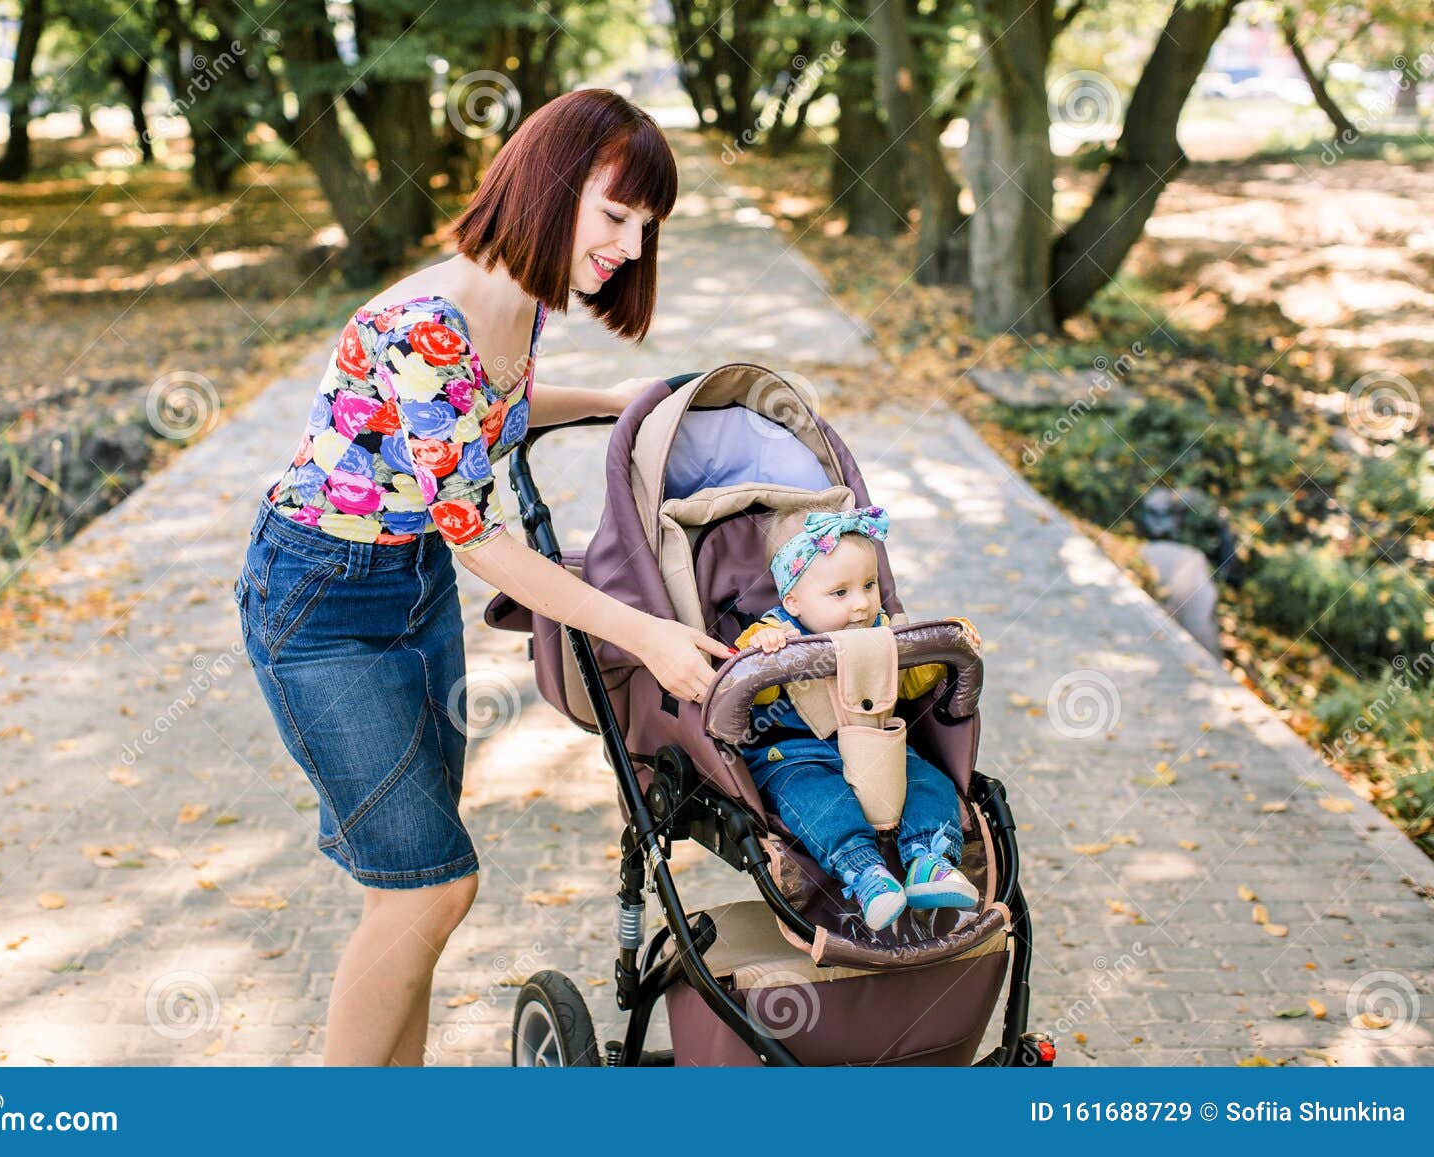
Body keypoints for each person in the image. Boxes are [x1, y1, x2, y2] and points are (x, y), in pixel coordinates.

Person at [234, 90, 731, 1065]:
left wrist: (607, 399)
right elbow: (485, 541)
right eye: (617, 214)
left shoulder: (520, 302)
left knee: (406, 892)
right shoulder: (424, 323)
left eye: (646, 227)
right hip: (321, 603)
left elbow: (481, 412)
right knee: (431, 886)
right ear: (553, 184)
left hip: (408, 589)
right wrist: (647, 632)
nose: (630, 247)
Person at [734, 506, 980, 931]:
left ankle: (928, 858)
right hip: (796, 755)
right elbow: (750, 685)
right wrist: (764, 649)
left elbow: (909, 684)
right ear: (793, 599)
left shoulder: (879, 631)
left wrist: (947, 646)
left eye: (869, 585)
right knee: (818, 802)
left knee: (929, 781)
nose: (863, 604)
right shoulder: (775, 633)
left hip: (876, 744)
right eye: (840, 593)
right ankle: (865, 873)